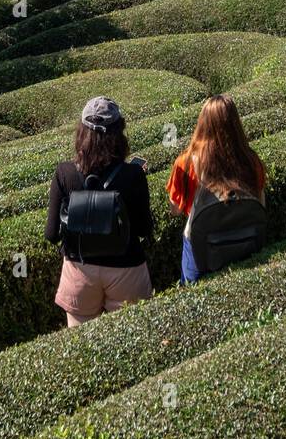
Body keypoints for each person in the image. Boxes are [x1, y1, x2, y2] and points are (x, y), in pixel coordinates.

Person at [45, 96, 153, 327]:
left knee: (81, 349)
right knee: (130, 343)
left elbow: (51, 234)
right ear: (119, 133)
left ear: (82, 132)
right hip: (126, 267)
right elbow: (145, 229)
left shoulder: (64, 173)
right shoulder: (133, 175)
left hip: (80, 270)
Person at [167, 94, 267, 284]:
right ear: (236, 124)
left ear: (203, 123)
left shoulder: (186, 163)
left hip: (200, 246)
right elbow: (260, 204)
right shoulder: (250, 160)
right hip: (245, 239)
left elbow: (175, 210)